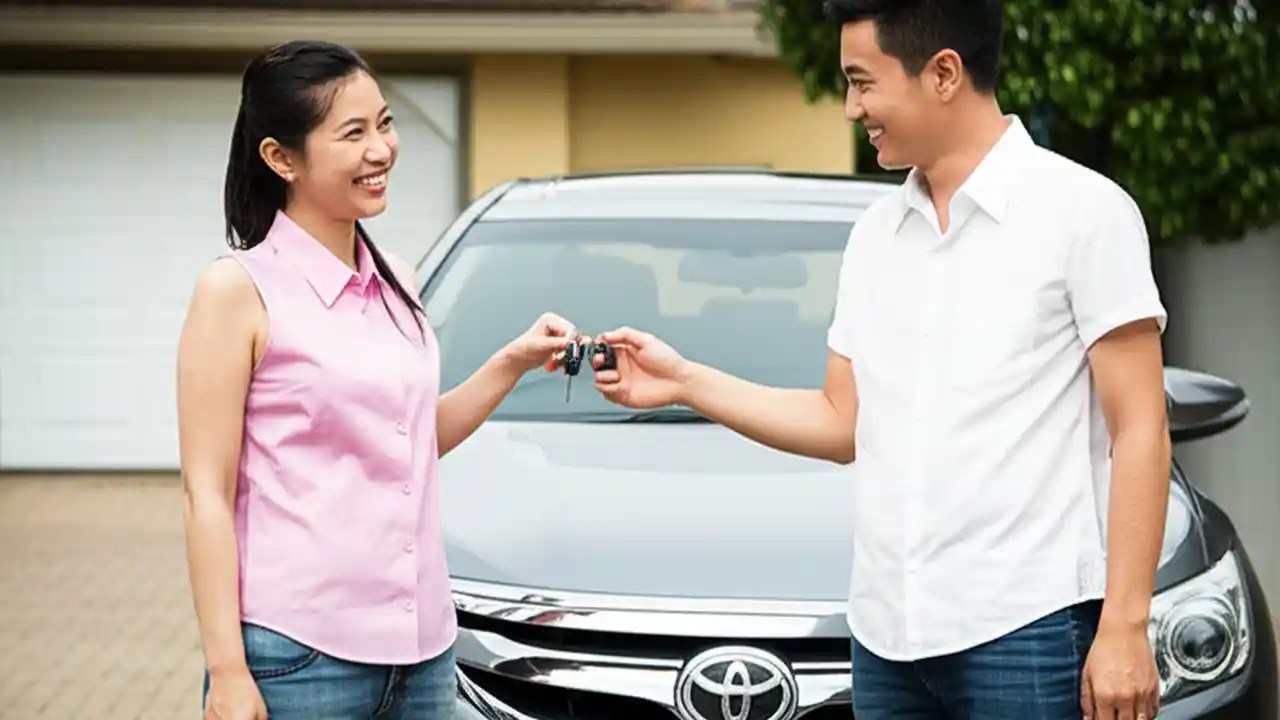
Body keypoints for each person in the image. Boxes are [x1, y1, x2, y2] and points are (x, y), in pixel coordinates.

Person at [591, 1, 1170, 719]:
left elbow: (1140, 429)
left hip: (1027, 633)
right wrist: (683, 381)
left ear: (945, 74)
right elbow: (841, 422)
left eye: (862, 82)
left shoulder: (1086, 213)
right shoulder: (875, 237)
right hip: (887, 640)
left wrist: (1125, 625)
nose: (849, 108)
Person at [176, 40, 578, 720]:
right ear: (281, 158)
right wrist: (227, 670)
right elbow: (204, 494)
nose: (381, 150)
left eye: (385, 124)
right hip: (298, 657)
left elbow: (412, 441)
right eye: (353, 133)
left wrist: (510, 361)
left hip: (424, 654)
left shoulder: (398, 278)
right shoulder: (237, 290)